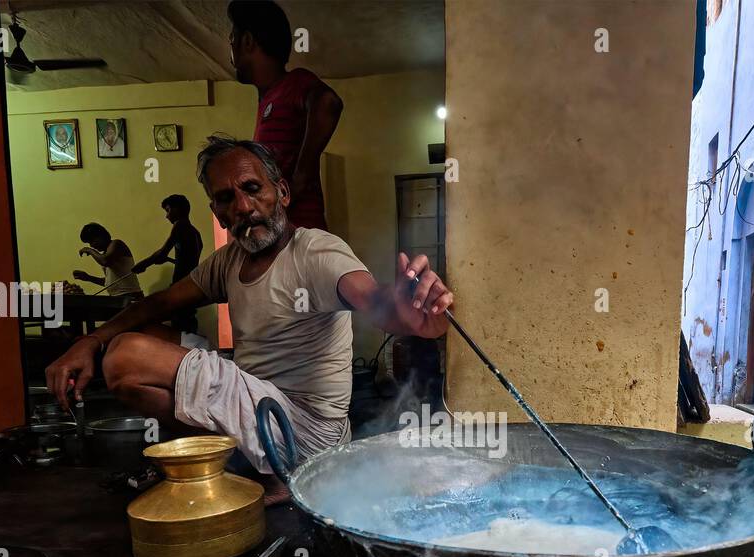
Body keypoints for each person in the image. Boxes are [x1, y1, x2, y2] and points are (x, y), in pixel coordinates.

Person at [44, 136, 451, 504]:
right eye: (226, 198)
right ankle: (240, 462)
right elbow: (158, 303)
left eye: (253, 189)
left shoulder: (317, 252)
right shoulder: (230, 260)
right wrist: (88, 341)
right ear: (217, 213)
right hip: (258, 403)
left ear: (283, 193)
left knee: (126, 358)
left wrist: (408, 314)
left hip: (304, 435)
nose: (242, 206)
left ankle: (275, 475)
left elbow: (374, 300)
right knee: (141, 333)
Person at [228, 0, 342, 231]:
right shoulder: (268, 99)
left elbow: (329, 103)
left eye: (232, 40)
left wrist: (300, 177)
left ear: (247, 41)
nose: (230, 52)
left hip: (301, 234)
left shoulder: (293, 82)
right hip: (282, 236)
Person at [132, 194, 205, 334]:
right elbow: (188, 260)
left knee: (180, 326)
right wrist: (169, 260)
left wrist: (144, 264)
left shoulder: (180, 225)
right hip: (191, 283)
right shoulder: (195, 232)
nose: (167, 216)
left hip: (181, 284)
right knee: (187, 322)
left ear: (177, 209)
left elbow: (161, 253)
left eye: (168, 210)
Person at [73, 224, 143, 299]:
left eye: (92, 241)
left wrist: (88, 250)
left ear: (101, 236)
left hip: (130, 296)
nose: (91, 245)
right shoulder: (105, 254)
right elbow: (111, 283)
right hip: (118, 298)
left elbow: (105, 261)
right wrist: (88, 278)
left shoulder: (116, 244)